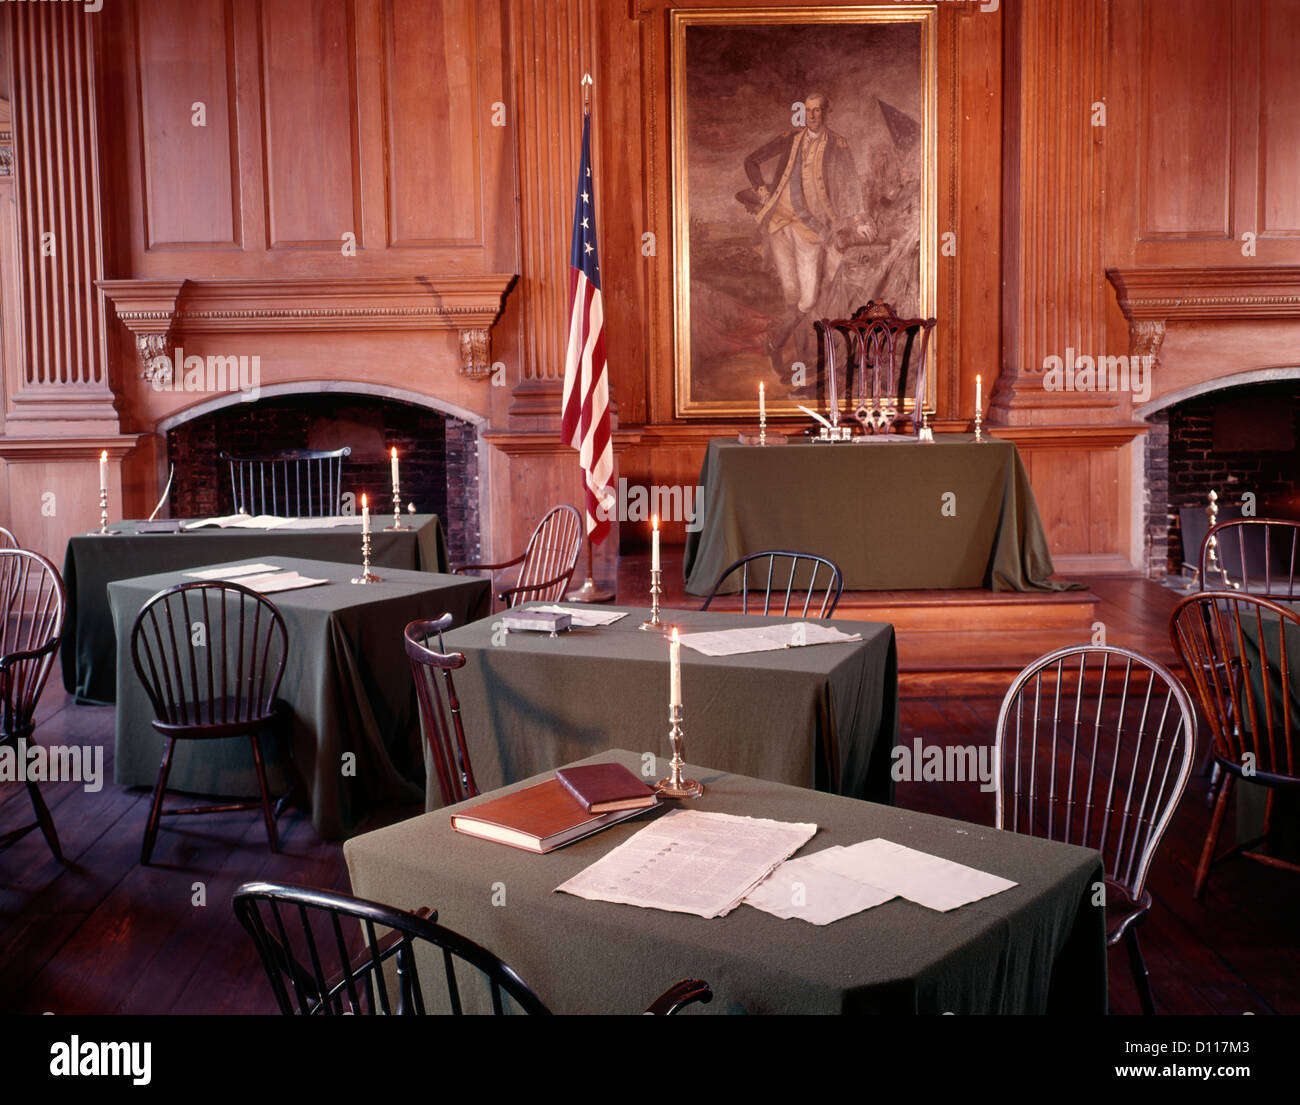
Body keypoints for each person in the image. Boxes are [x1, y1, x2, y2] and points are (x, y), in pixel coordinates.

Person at [740, 92, 871, 373]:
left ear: (826, 113)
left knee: (808, 300)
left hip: (811, 229)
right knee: (792, 297)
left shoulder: (838, 145)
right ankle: (793, 358)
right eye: (808, 111)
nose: (812, 116)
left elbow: (850, 183)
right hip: (778, 224)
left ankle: (776, 343)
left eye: (817, 111)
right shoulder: (791, 137)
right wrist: (762, 190)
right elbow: (751, 160)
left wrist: (860, 219)